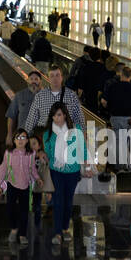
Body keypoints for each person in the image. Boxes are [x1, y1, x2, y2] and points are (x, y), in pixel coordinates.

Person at [43, 102, 91, 247]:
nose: (56, 118)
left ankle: (64, 228)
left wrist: (87, 166)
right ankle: (58, 233)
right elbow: (49, 154)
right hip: (56, 171)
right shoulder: (48, 133)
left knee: (68, 201)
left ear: (64, 115)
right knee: (58, 201)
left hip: (72, 171)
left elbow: (82, 148)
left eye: (59, 115)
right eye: (54, 115)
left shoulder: (76, 130)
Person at [0, 128, 41, 246]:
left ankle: (22, 235)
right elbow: (3, 169)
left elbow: (32, 169)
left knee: (24, 211)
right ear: (14, 140)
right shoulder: (9, 153)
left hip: (25, 186)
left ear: (27, 140)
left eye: (23, 137)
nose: (20, 140)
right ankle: (13, 229)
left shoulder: (30, 154)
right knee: (10, 209)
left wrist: (38, 178)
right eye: (18, 137)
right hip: (12, 184)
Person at [21, 63, 85, 132]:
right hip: (45, 136)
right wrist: (27, 135)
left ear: (62, 77)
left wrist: (82, 135)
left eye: (57, 75)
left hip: (65, 136)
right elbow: (31, 119)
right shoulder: (40, 96)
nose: (55, 79)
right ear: (48, 78)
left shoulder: (71, 95)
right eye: (52, 76)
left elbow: (79, 119)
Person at [101, 66, 131, 165]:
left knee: (118, 140)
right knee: (129, 142)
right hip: (129, 119)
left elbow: (103, 101)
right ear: (130, 76)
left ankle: (119, 165)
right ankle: (128, 165)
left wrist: (108, 106)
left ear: (121, 74)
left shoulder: (113, 86)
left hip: (115, 117)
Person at [6, 69, 43, 145]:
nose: (33, 81)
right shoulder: (19, 95)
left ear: (40, 82)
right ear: (27, 81)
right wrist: (9, 135)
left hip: (40, 139)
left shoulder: (46, 96)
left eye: (36, 79)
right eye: (31, 79)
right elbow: (11, 116)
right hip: (22, 137)